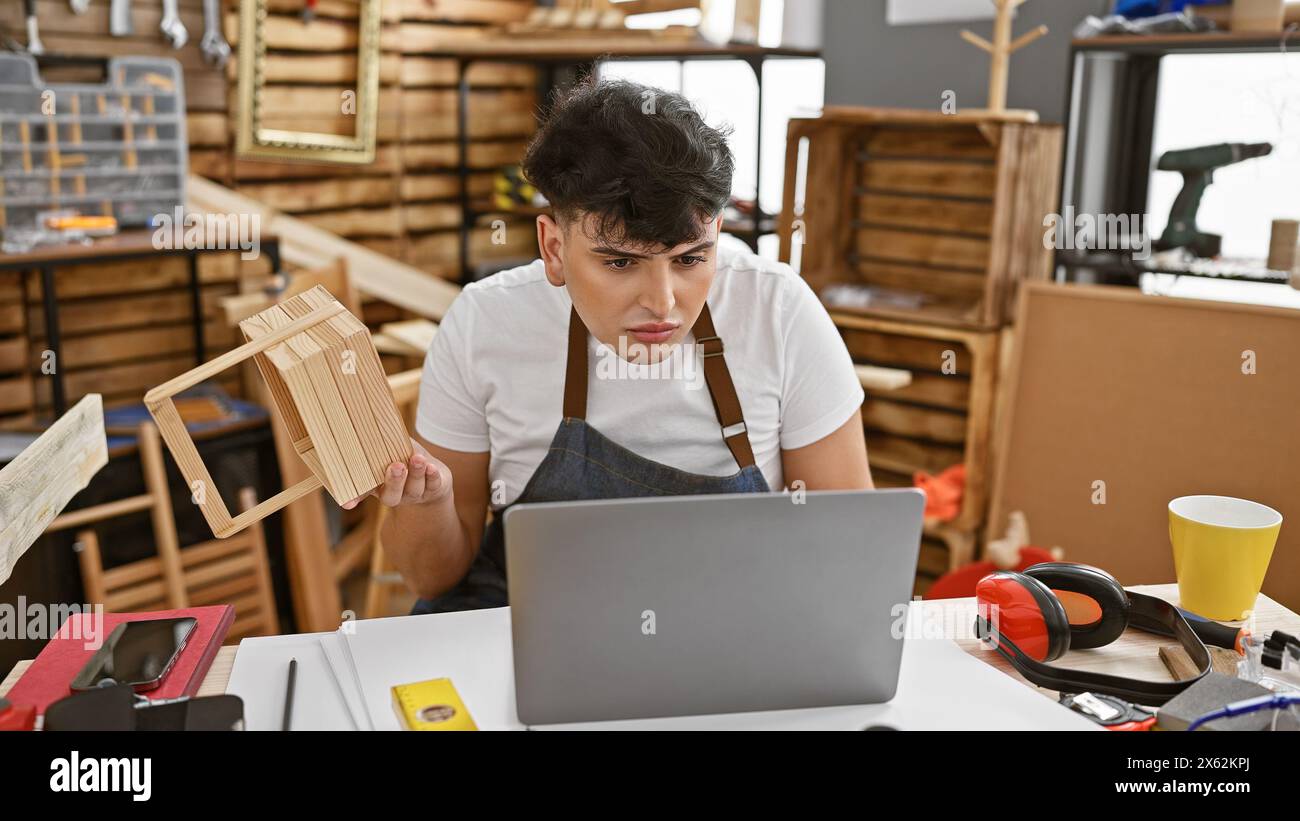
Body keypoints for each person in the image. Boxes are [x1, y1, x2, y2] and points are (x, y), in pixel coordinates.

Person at [343, 79, 873, 613]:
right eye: (620, 262)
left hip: (733, 623)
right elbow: (433, 581)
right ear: (553, 247)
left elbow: (851, 550)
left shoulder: (778, 309)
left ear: (715, 229)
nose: (663, 304)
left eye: (690, 259)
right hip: (529, 623)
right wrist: (427, 507)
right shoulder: (484, 322)